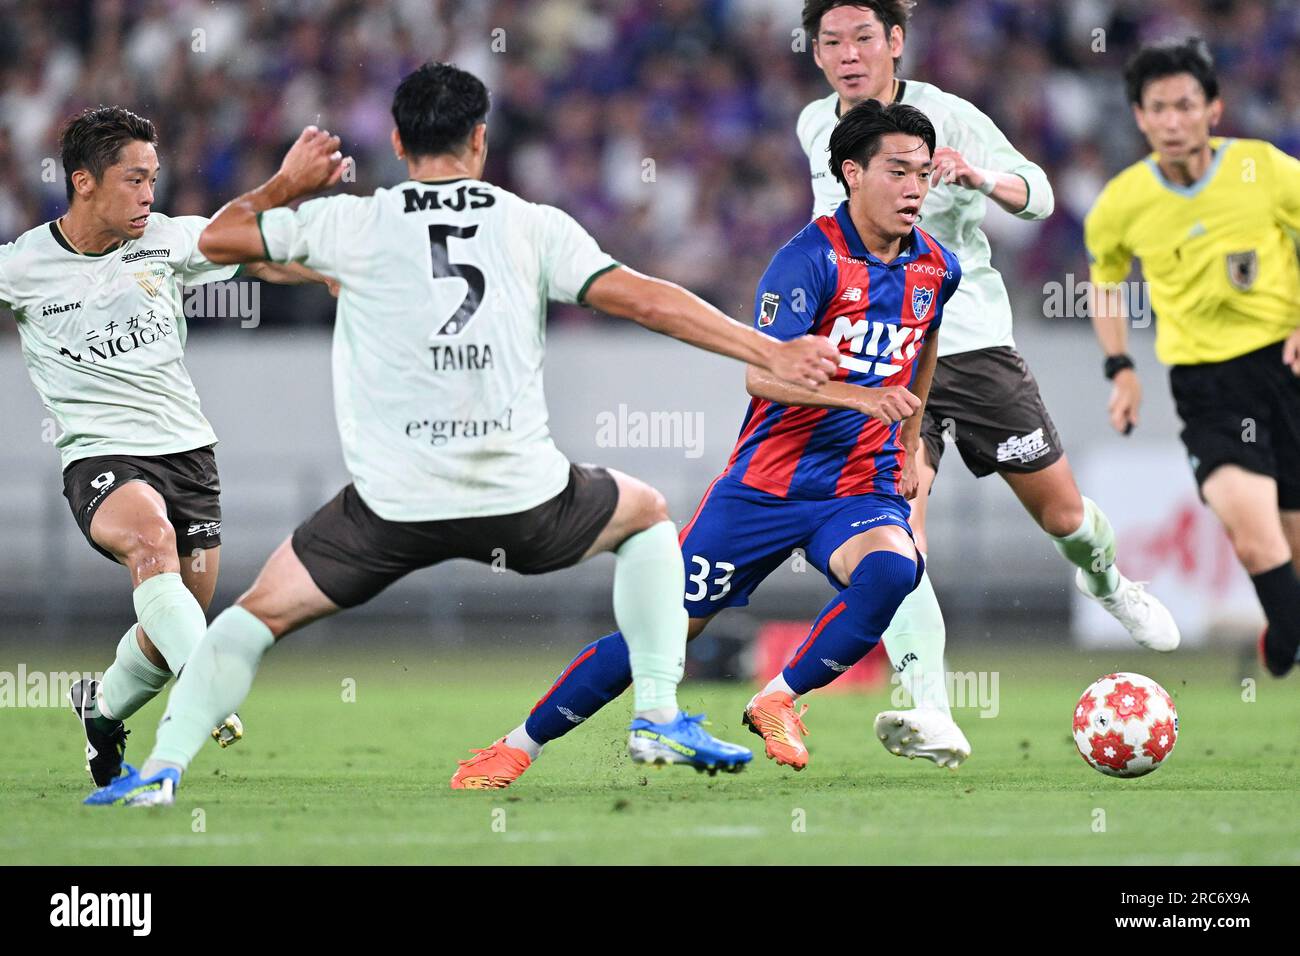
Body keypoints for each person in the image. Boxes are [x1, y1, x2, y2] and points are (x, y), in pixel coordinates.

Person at [83, 62, 840, 806]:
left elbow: (218, 240)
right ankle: (657, 714)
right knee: (645, 518)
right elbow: (645, 301)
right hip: (524, 495)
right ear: (480, 138)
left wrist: (288, 181)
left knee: (253, 618)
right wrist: (769, 348)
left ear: (396, 141)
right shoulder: (530, 223)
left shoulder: (351, 221)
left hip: (390, 507)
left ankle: (162, 770)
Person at [452, 100, 961, 787]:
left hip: (858, 485)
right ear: (852, 173)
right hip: (764, 488)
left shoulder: (938, 267)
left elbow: (923, 349)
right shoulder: (807, 261)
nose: (914, 189)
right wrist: (862, 397)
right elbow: (763, 374)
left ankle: (779, 697)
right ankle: (517, 745)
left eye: (924, 175)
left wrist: (909, 439)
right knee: (662, 636)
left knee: (895, 571)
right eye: (898, 171)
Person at [797, 0, 1180, 762]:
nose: (848, 53)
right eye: (831, 41)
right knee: (897, 525)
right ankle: (930, 707)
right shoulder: (815, 127)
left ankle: (1104, 579)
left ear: (895, 42)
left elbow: (1037, 193)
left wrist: (979, 177)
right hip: (883, 354)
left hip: (970, 345)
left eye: (863, 38)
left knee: (1064, 515)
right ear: (813, 52)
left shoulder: (944, 115)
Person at [0, 106, 334, 787]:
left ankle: (101, 710)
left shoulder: (167, 241)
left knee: (165, 622)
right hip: (101, 456)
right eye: (133, 178)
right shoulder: (24, 265)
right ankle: (206, 684)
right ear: (84, 182)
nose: (148, 193)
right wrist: (282, 181)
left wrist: (332, 273)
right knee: (150, 544)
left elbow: (255, 252)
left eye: (154, 178)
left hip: (189, 456)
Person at [1084, 37, 1300, 677]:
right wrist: (1119, 367)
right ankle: (1289, 629)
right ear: (1140, 116)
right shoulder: (1121, 202)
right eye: (1159, 108)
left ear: (1213, 109)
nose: (1173, 121)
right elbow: (1105, 283)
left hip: (1286, 367)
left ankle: (1285, 631)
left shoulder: (1263, 169)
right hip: (1207, 383)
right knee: (1250, 530)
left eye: (1185, 105)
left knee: (1289, 542)